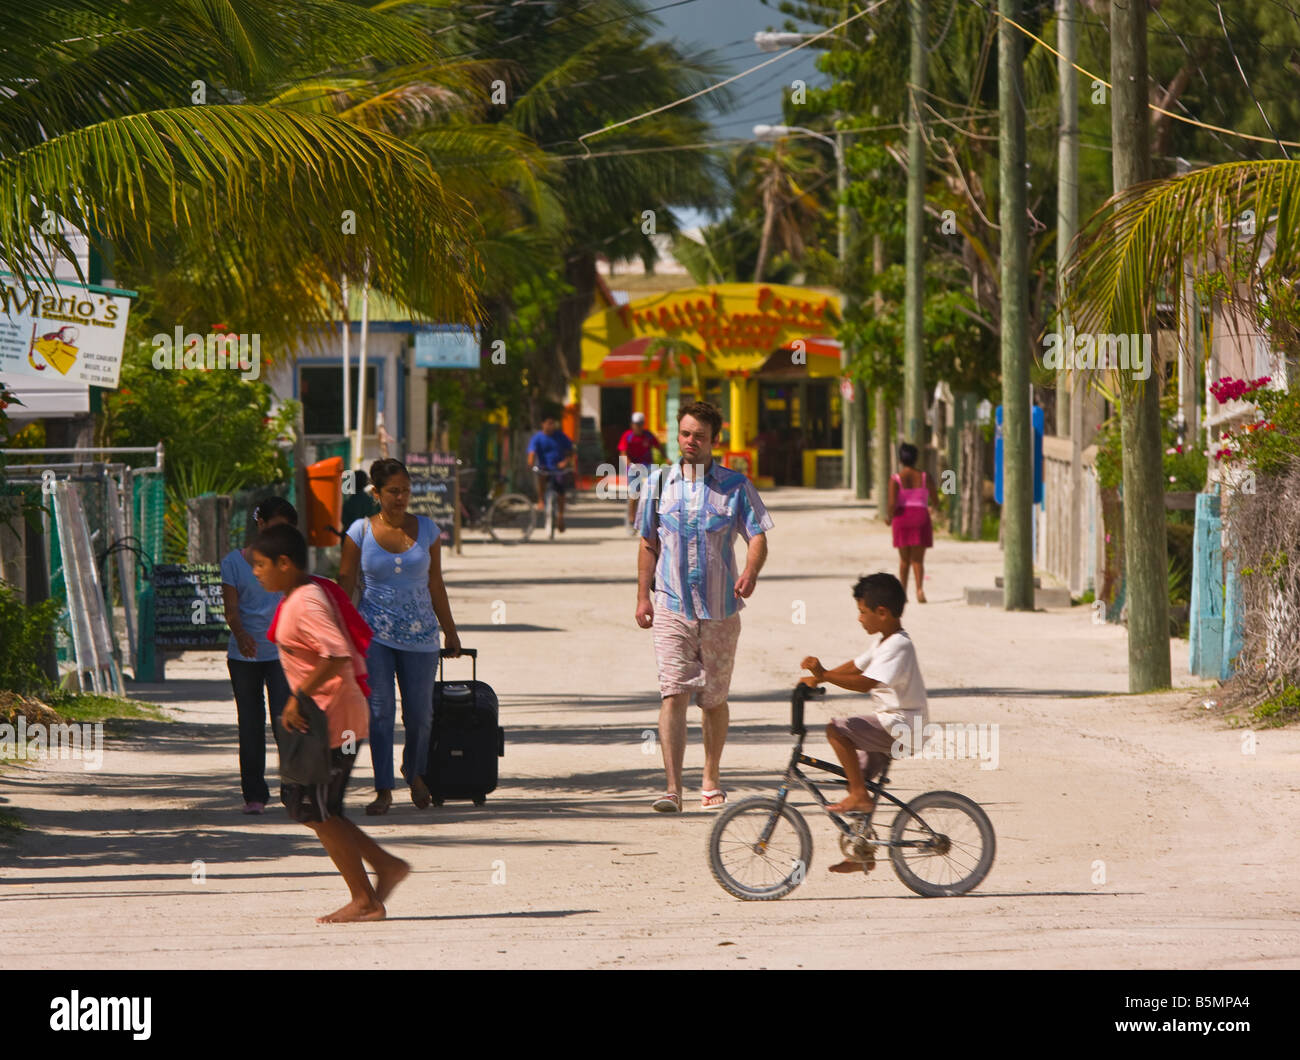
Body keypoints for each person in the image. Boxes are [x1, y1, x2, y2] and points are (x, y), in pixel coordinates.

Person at [251, 522, 409, 923]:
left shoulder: (307, 601)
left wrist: (299, 697)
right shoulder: (299, 595)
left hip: (333, 721)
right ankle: (384, 866)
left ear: (284, 563)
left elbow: (335, 655)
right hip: (327, 720)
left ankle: (366, 899)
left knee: (315, 811)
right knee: (320, 809)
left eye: (260, 565)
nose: (256, 572)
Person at [635, 401, 773, 813]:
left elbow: (758, 535)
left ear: (715, 440)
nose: (690, 442)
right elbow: (647, 543)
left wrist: (751, 570)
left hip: (720, 609)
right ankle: (672, 788)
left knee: (712, 699)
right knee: (673, 692)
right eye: (685, 434)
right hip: (672, 605)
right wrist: (643, 596)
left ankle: (710, 779)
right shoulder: (658, 484)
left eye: (699, 435)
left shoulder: (735, 486)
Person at [338, 458, 461, 816]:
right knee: (379, 713)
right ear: (376, 493)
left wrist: (449, 631)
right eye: (393, 491)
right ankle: (383, 787)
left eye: (406, 490)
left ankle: (415, 771)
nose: (401, 497)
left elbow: (435, 583)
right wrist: (337, 631)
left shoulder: (427, 530)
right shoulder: (359, 531)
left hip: (421, 636)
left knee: (420, 714)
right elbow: (345, 583)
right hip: (374, 635)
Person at [799, 572, 929, 872]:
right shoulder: (884, 642)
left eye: (862, 612)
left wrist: (824, 675)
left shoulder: (899, 646)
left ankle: (859, 795)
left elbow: (866, 681)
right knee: (855, 773)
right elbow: (856, 666)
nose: (859, 619)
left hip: (902, 726)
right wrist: (821, 675)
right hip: (895, 725)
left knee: (836, 730)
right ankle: (862, 851)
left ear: (881, 613)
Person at [221, 496, 297, 814]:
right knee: (250, 724)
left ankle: (292, 790)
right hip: (244, 656)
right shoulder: (234, 563)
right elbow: (231, 609)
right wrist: (241, 635)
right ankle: (254, 793)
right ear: (261, 524)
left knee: (286, 723)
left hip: (282, 655)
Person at [888, 443, 937, 602]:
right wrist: (932, 508)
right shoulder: (925, 477)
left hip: (901, 518)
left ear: (900, 459)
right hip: (920, 517)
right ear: (916, 459)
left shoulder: (895, 479)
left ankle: (902, 593)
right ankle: (919, 590)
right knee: (918, 560)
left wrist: (889, 518)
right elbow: (935, 499)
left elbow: (891, 503)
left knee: (904, 560)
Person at [527, 412, 576, 533]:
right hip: (544, 467)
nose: (551, 426)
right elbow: (531, 452)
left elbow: (570, 450)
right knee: (541, 476)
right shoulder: (537, 437)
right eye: (548, 423)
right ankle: (540, 499)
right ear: (542, 424)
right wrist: (531, 462)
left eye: (552, 423)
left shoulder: (560, 436)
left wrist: (565, 462)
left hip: (558, 468)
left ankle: (560, 516)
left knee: (560, 492)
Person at [618, 412, 664, 534]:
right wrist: (630, 464)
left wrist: (666, 459)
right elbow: (623, 453)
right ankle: (631, 519)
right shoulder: (627, 436)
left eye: (640, 424)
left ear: (643, 424)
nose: (638, 426)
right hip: (633, 466)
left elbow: (659, 447)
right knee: (634, 494)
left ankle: (655, 517)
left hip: (648, 466)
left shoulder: (648, 436)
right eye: (635, 424)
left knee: (654, 491)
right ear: (632, 424)